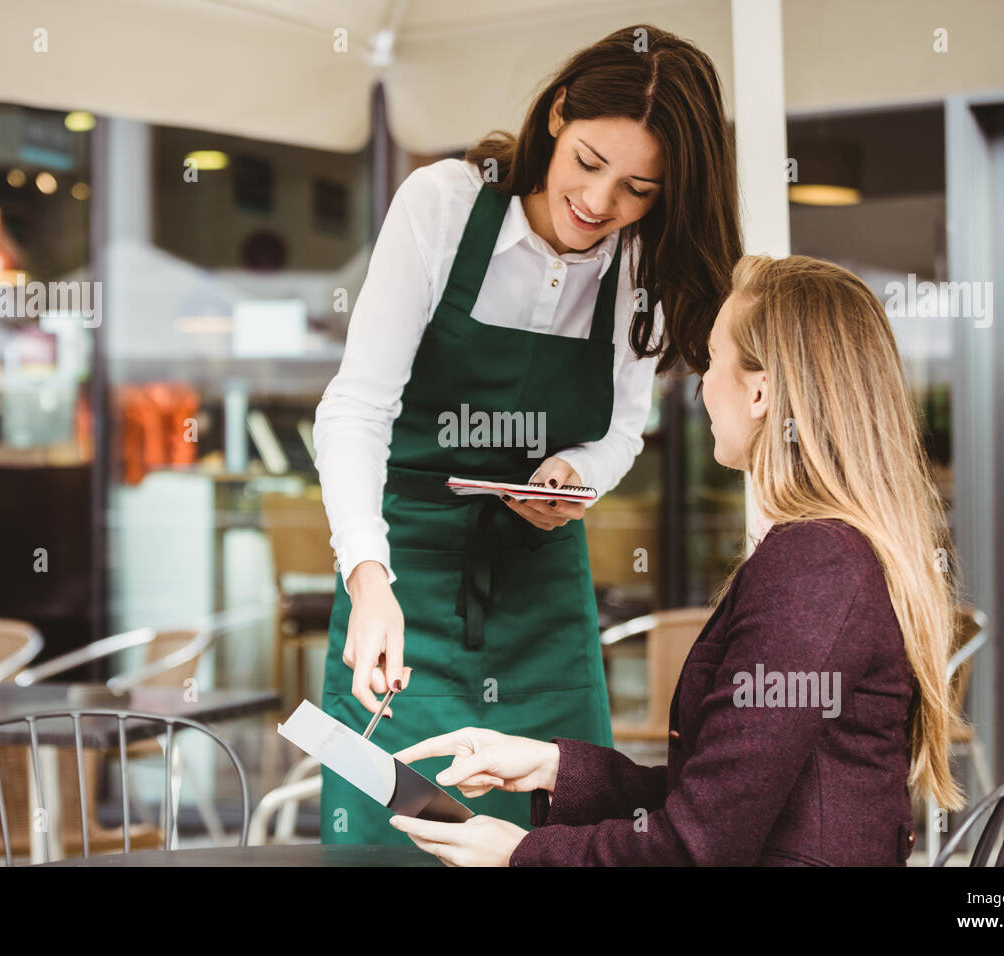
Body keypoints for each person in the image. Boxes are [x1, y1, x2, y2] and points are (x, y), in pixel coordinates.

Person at [311, 23, 742, 845]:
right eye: (588, 162)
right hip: (399, 583)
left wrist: (572, 475)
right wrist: (367, 578)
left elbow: (621, 430)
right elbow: (357, 408)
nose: (600, 203)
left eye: (638, 189)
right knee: (385, 833)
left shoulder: (641, 265)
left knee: (564, 836)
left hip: (542, 596)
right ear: (555, 117)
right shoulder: (443, 205)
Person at [389, 254, 967, 865]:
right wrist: (553, 767)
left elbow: (698, 845)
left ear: (761, 390)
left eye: (713, 360)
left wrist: (520, 855)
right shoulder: (831, 554)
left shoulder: (815, 567)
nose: (702, 384)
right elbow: (716, 800)